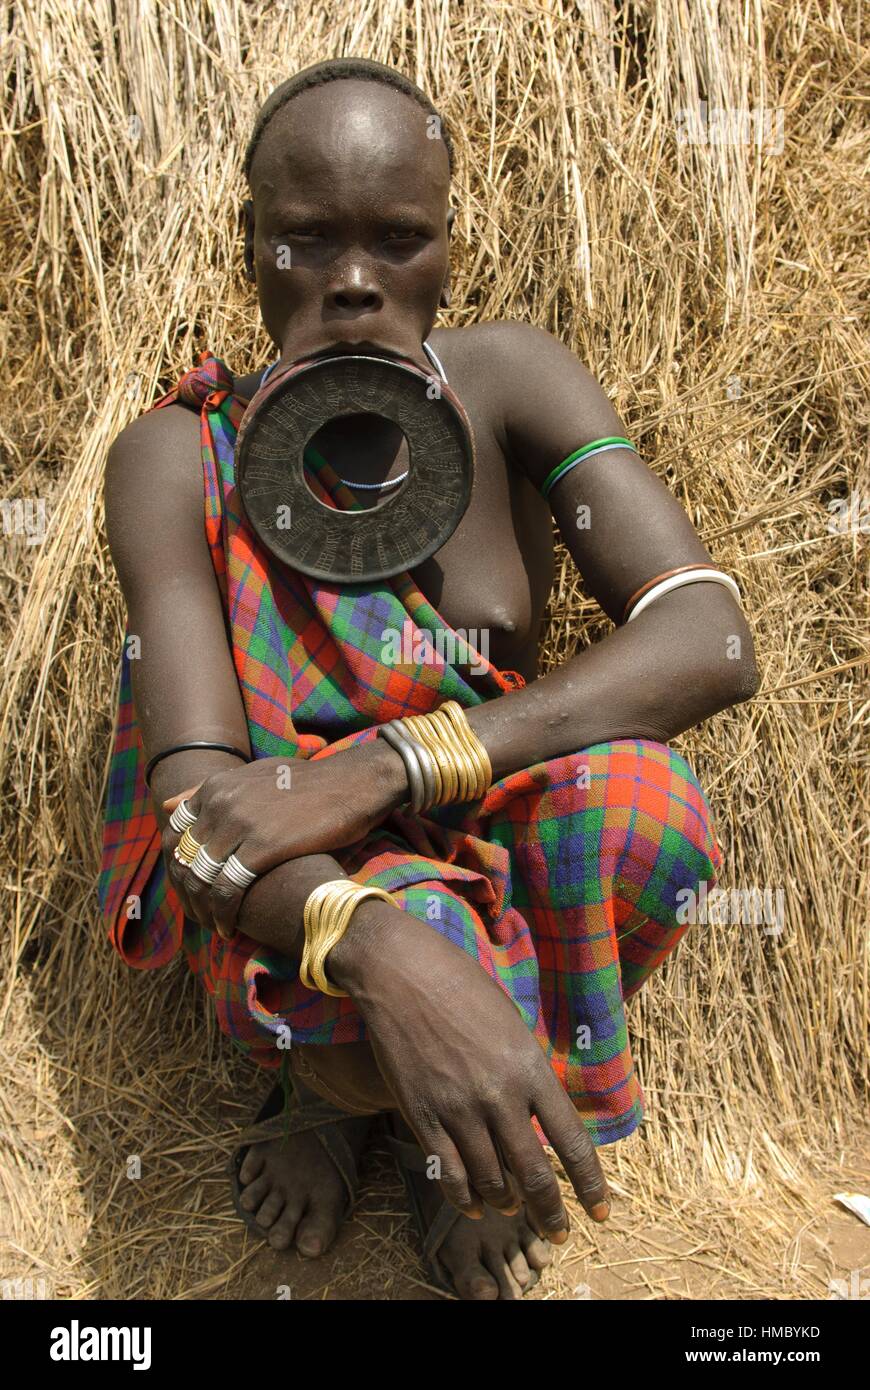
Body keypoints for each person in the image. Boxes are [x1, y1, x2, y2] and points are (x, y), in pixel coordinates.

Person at [99, 57, 758, 1301]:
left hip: (489, 822)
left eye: (399, 239)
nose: (354, 280)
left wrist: (393, 759)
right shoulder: (177, 460)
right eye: (307, 240)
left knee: (644, 812)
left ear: (450, 245)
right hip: (313, 883)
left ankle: (460, 1122)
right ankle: (332, 1098)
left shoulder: (510, 382)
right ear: (251, 246)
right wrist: (386, 948)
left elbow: (711, 638)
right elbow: (201, 816)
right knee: (418, 940)